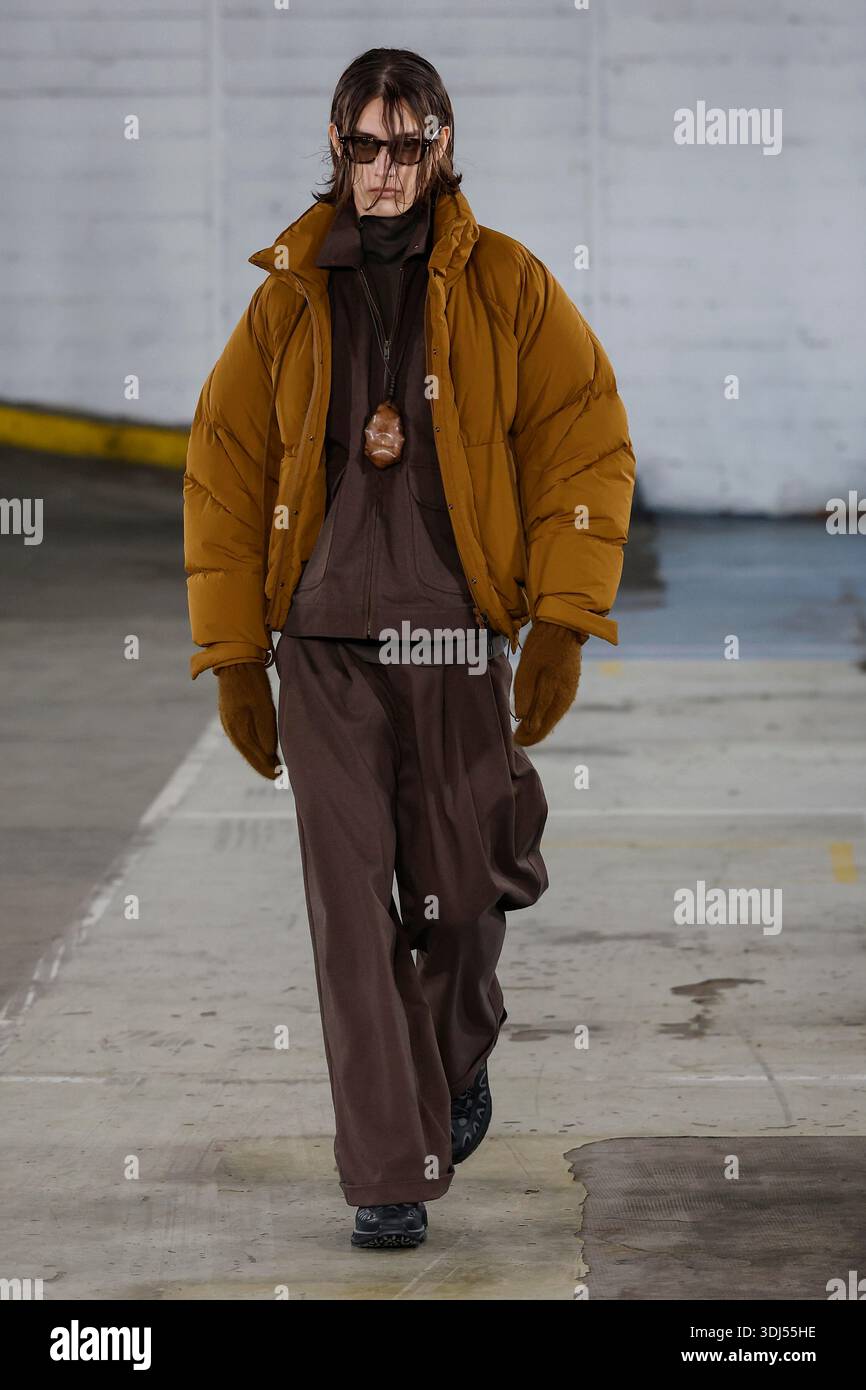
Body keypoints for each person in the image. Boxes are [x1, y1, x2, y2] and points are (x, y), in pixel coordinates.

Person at [183, 48, 636, 1250]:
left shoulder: (504, 286)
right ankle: (388, 1169)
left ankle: (452, 1055)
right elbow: (222, 471)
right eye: (361, 146)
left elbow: (585, 442)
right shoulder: (285, 299)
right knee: (349, 910)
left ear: (440, 147)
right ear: (334, 147)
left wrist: (562, 621)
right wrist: (235, 653)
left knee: (463, 891)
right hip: (323, 646)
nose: (382, 173)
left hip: (452, 640)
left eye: (405, 146)